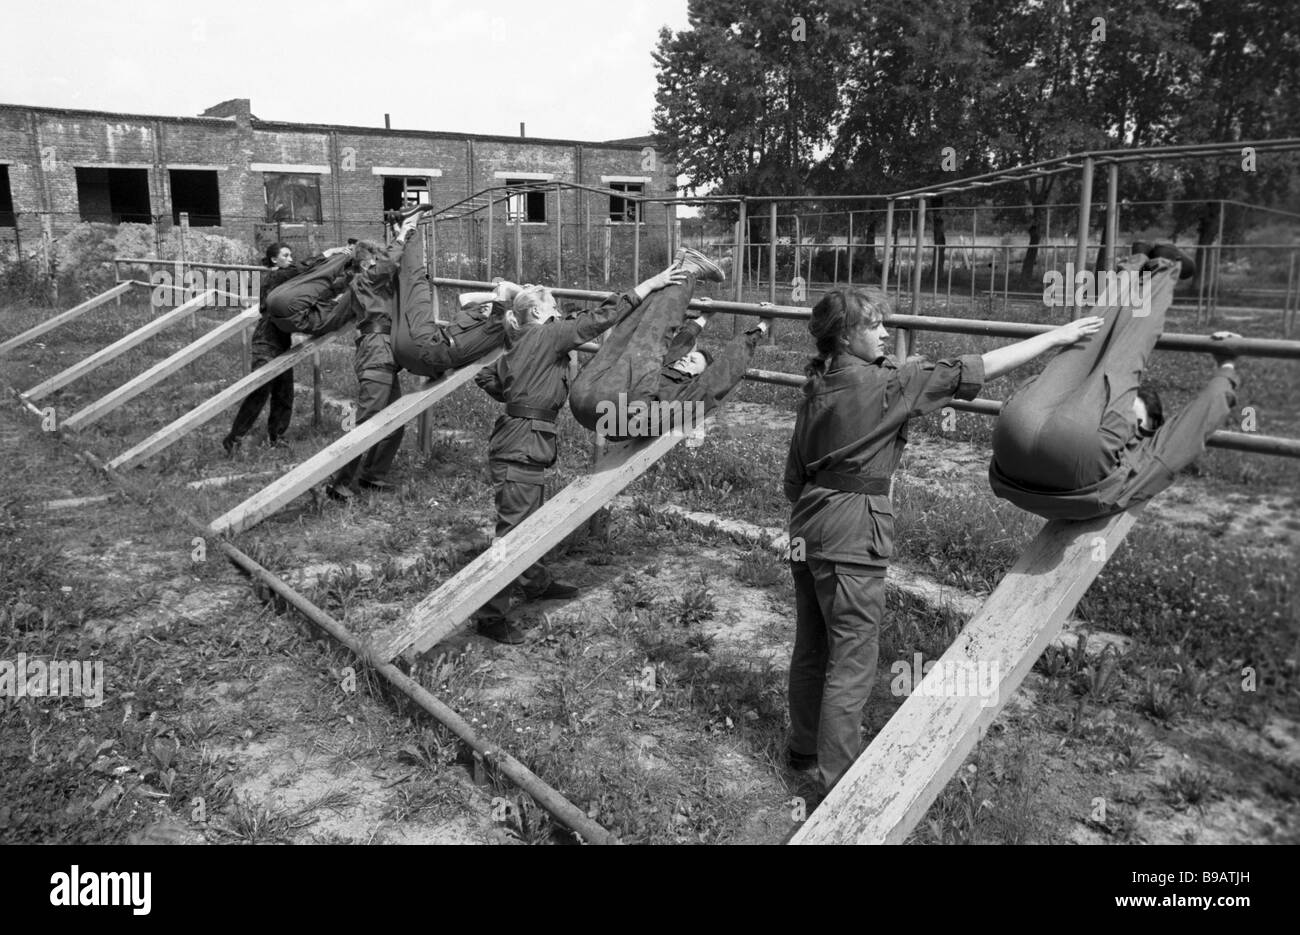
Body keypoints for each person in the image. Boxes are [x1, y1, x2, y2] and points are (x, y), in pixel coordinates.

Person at [783, 287, 1104, 796]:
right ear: (845, 336)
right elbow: (976, 366)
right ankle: (837, 784)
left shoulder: (816, 386)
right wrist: (1058, 336)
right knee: (852, 660)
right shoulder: (893, 383)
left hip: (808, 526)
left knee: (813, 646)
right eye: (874, 325)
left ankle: (803, 750)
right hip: (852, 533)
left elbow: (792, 480)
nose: (887, 332)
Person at [470, 262, 692, 644]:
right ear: (538, 312)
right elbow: (599, 318)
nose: (560, 311)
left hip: (522, 440)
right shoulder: (548, 334)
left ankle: (534, 582)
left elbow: (486, 376)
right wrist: (650, 283)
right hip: (522, 444)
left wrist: (520, 396)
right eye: (554, 304)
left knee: (529, 521)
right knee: (512, 533)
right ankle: (490, 615)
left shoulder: (521, 340)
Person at [989, 246, 1240, 520]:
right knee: (1099, 348)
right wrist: (1226, 367)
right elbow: (1192, 426)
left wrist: (1227, 370)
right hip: (1014, 446)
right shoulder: (1140, 459)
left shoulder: (1134, 452)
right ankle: (1148, 265)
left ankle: (1155, 264)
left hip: (1039, 442)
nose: (1127, 408)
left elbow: (1188, 428)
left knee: (1100, 347)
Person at [568, 248, 767, 438]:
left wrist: (761, 327)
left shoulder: (691, 392)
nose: (686, 360)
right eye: (689, 357)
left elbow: (726, 368)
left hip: (619, 414)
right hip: (581, 398)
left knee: (652, 341)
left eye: (692, 362)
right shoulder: (663, 372)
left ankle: (687, 269)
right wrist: (703, 319)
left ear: (697, 375)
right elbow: (677, 348)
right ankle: (676, 271)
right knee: (626, 333)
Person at [325, 213, 424, 499]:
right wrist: (402, 235)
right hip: (376, 351)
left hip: (383, 352)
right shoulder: (364, 280)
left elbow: (398, 265)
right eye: (375, 258)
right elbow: (389, 263)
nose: (380, 262)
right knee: (368, 422)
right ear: (366, 262)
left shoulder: (374, 282)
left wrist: (405, 235)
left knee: (394, 423)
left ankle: (372, 476)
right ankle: (339, 483)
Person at [262, 240, 358, 336]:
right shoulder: (281, 274)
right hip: (274, 329)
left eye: (290, 255)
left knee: (325, 283)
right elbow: (305, 267)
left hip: (279, 322)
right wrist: (330, 252)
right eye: (286, 256)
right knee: (322, 276)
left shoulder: (269, 277)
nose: (291, 259)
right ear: (274, 260)